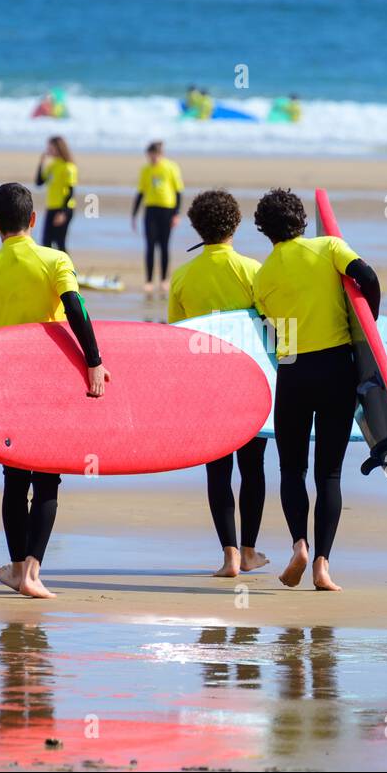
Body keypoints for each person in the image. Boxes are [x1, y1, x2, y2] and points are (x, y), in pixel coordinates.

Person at [0, 183, 111, 599]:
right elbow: (75, 307)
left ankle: (15, 569)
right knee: (47, 478)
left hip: (4, 382)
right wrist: (94, 361)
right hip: (51, 381)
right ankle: (32, 572)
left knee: (13, 477)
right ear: (32, 220)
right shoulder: (55, 259)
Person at [252, 188, 381, 592]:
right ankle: (323, 565)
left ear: (263, 230)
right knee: (329, 472)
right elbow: (368, 277)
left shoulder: (262, 276)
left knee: (292, 468)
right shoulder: (328, 247)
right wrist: (368, 331)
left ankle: (299, 545)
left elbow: (274, 332)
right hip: (337, 369)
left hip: (293, 373)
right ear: (303, 221)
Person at [167, 189, 268, 578]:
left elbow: (177, 337)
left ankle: (228, 556)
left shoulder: (183, 276)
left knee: (218, 469)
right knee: (253, 466)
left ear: (196, 227)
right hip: (251, 379)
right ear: (236, 225)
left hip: (206, 384)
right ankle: (249, 551)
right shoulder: (253, 271)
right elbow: (272, 327)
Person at [130, 141, 183, 297]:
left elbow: (178, 191)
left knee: (164, 246)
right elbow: (140, 192)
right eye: (149, 156)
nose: (152, 159)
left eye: (154, 156)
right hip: (151, 210)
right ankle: (149, 281)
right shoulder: (145, 169)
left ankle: (164, 280)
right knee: (150, 246)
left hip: (167, 210)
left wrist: (176, 214)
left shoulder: (171, 167)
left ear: (160, 154)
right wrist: (134, 214)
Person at [35, 136, 78, 252]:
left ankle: (68, 270)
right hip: (51, 207)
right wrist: (41, 164)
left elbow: (70, 191)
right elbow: (39, 182)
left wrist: (63, 213)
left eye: (51, 147)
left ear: (59, 148)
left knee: (59, 242)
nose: (48, 150)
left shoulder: (68, 167)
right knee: (46, 242)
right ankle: (52, 269)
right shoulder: (52, 166)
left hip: (64, 208)